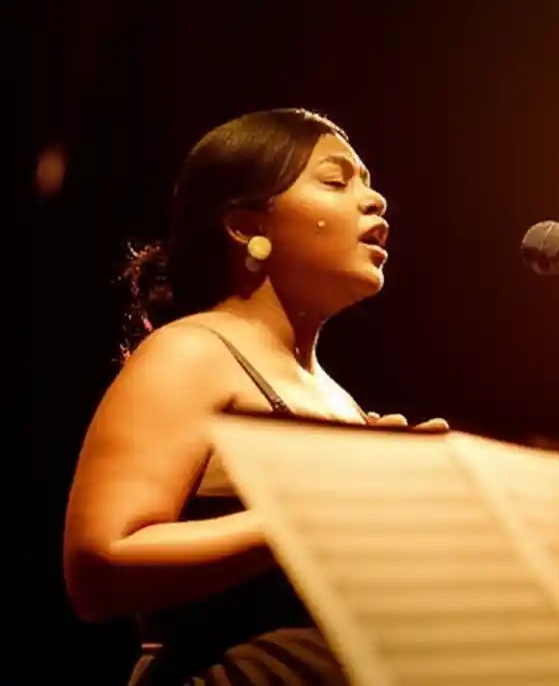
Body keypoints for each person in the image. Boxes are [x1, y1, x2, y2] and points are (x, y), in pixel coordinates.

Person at [62, 108, 448, 685]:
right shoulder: (191, 351)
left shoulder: (337, 397)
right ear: (244, 225)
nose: (375, 201)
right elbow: (99, 566)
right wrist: (327, 510)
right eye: (336, 181)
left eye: (368, 183)